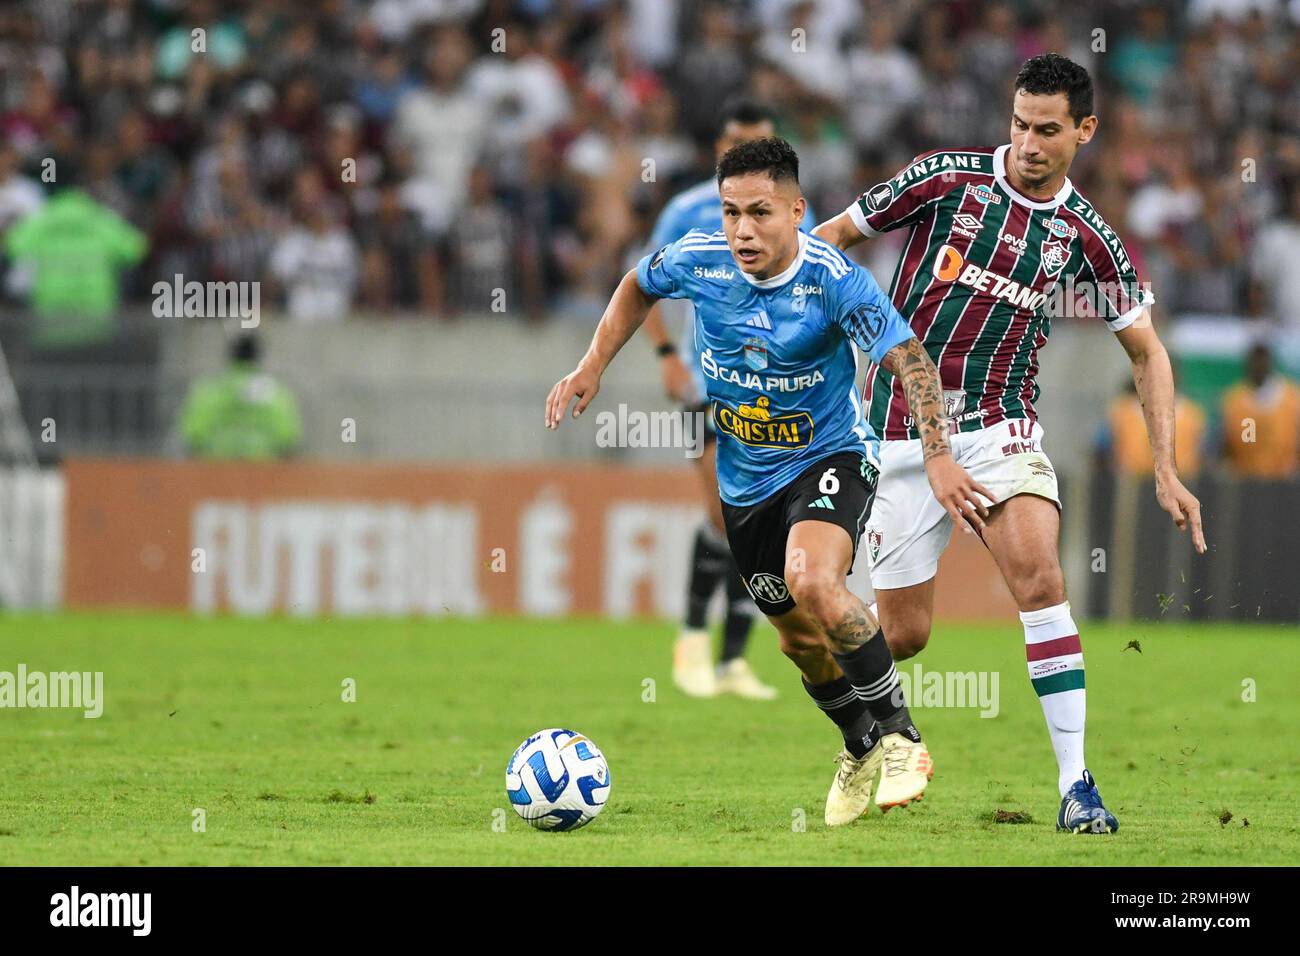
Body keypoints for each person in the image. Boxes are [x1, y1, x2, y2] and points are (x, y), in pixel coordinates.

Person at [814, 53, 1206, 834]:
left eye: (1048, 129)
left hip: (999, 428)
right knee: (902, 636)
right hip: (895, 429)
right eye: (1020, 124)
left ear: (1085, 131)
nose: (1028, 142)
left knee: (1038, 579)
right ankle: (862, 737)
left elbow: (1148, 352)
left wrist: (1165, 466)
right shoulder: (943, 178)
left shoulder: (1089, 237)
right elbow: (828, 242)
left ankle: (1076, 787)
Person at [547, 137, 990, 825]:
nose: (744, 230)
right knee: (796, 640)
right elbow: (636, 286)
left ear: (796, 210)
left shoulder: (832, 278)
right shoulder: (700, 259)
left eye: (760, 213)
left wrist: (936, 456)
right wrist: (591, 364)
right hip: (745, 479)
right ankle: (859, 743)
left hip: (831, 456)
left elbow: (911, 360)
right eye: (731, 213)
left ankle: (903, 737)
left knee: (814, 579)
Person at [641, 98, 819, 701]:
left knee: (760, 521)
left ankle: (734, 660)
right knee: (721, 513)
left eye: (760, 141)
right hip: (706, 384)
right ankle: (692, 639)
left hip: (777, 393)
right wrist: (666, 357)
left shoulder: (797, 214)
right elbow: (641, 282)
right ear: (720, 145)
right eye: (737, 141)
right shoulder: (690, 211)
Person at [179, 334, 303, 460]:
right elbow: (288, 438)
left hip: (215, 469)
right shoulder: (276, 392)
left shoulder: (209, 389)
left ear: (231, 356)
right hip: (263, 471)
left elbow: (193, 435)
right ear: (257, 357)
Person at [1220, 342, 1300, 478]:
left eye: (1262, 362)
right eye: (1255, 362)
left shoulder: (1292, 399)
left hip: (1285, 481)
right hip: (1247, 478)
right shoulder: (1235, 401)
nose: (1258, 367)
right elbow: (1226, 446)